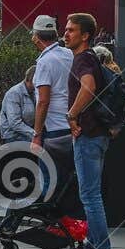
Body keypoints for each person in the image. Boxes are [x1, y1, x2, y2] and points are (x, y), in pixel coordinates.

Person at [65, 12, 116, 249]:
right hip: (96, 135)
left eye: (71, 30)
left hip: (88, 136)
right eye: (66, 29)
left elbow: (88, 87)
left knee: (90, 196)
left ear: (85, 35)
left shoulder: (83, 60)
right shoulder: (89, 58)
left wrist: (72, 114)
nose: (66, 33)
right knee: (90, 195)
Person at [29, 15, 75, 196]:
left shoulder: (44, 62)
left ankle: (52, 222)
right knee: (66, 179)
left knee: (49, 179)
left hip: (53, 130)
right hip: (70, 125)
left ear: (36, 37)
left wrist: (36, 134)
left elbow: (43, 101)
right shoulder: (68, 54)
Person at [0, 67, 37, 143]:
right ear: (29, 80)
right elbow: (14, 123)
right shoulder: (14, 93)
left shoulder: (35, 93)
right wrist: (35, 134)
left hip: (28, 133)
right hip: (13, 136)